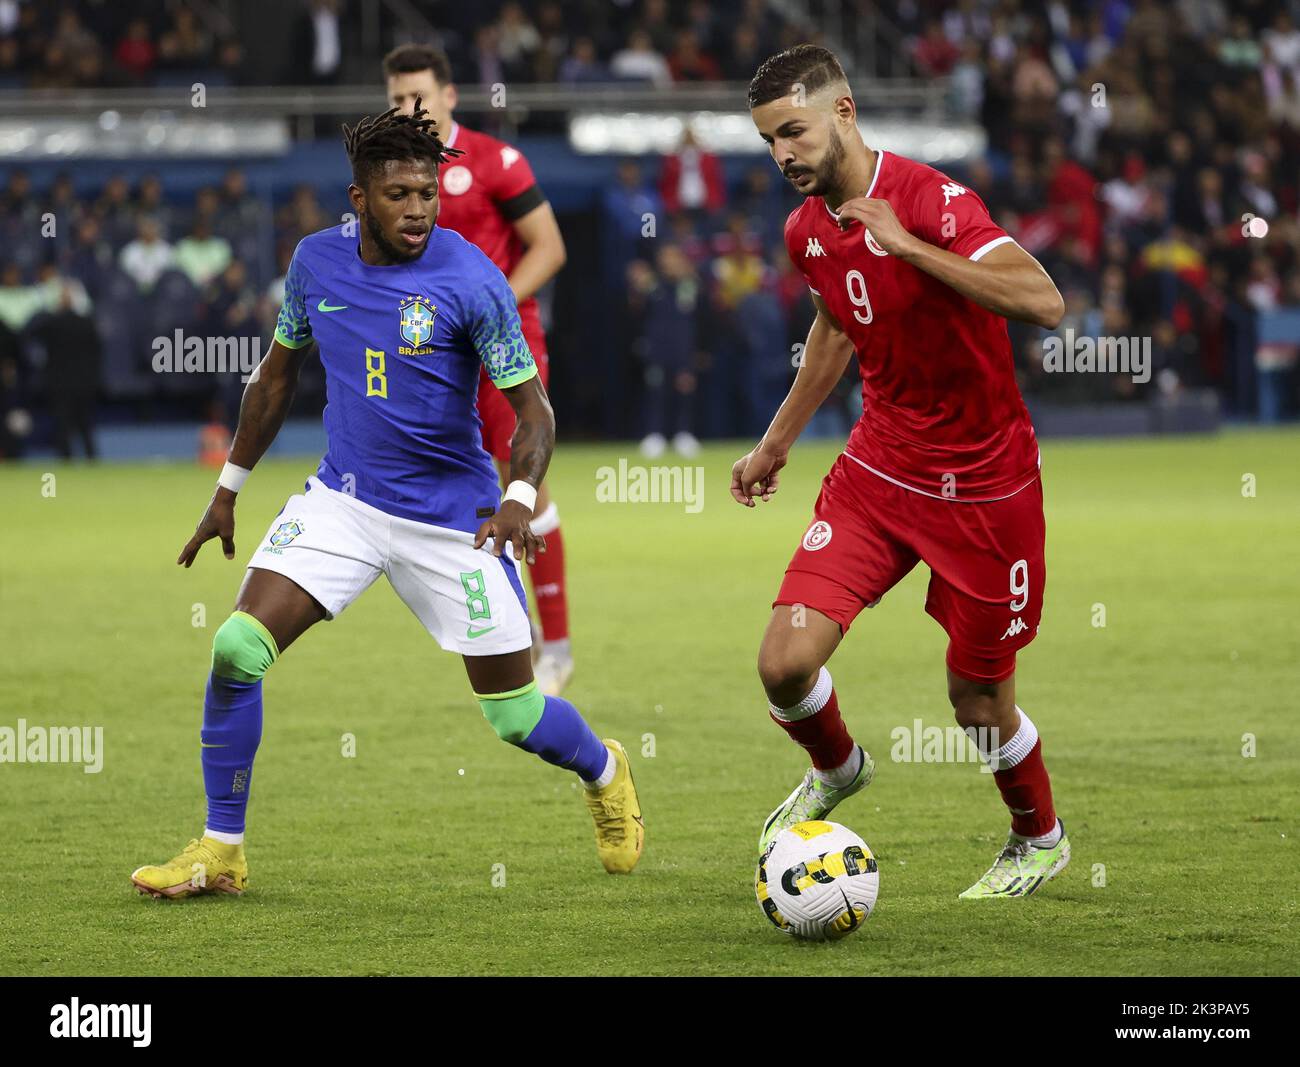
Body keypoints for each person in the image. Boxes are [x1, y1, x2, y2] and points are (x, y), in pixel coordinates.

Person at [131, 103, 643, 900]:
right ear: (358, 197)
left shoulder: (473, 277)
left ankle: (605, 769)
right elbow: (275, 377)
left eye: (428, 193)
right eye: (399, 194)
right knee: (235, 649)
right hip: (346, 501)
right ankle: (221, 849)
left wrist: (516, 496)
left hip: (453, 523)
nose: (418, 209)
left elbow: (534, 409)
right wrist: (228, 489)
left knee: (513, 717)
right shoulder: (313, 263)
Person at [734, 45, 1069, 899]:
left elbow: (1043, 301)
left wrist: (910, 246)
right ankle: (839, 769)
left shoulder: (932, 199)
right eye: (771, 141)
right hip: (879, 471)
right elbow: (836, 329)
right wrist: (776, 442)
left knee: (977, 703)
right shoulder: (807, 229)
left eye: (794, 133)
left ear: (842, 112)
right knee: (783, 662)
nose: (784, 156)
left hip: (987, 490)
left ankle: (1040, 837)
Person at [383, 43, 575, 695]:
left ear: (448, 96)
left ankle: (557, 648)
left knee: (524, 485)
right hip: (431, 354)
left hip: (505, 346)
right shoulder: (392, 173)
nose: (408, 109)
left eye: (418, 97)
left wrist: (490, 308)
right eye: (396, 100)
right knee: (450, 490)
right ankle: (497, 639)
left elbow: (549, 248)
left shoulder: (497, 162)